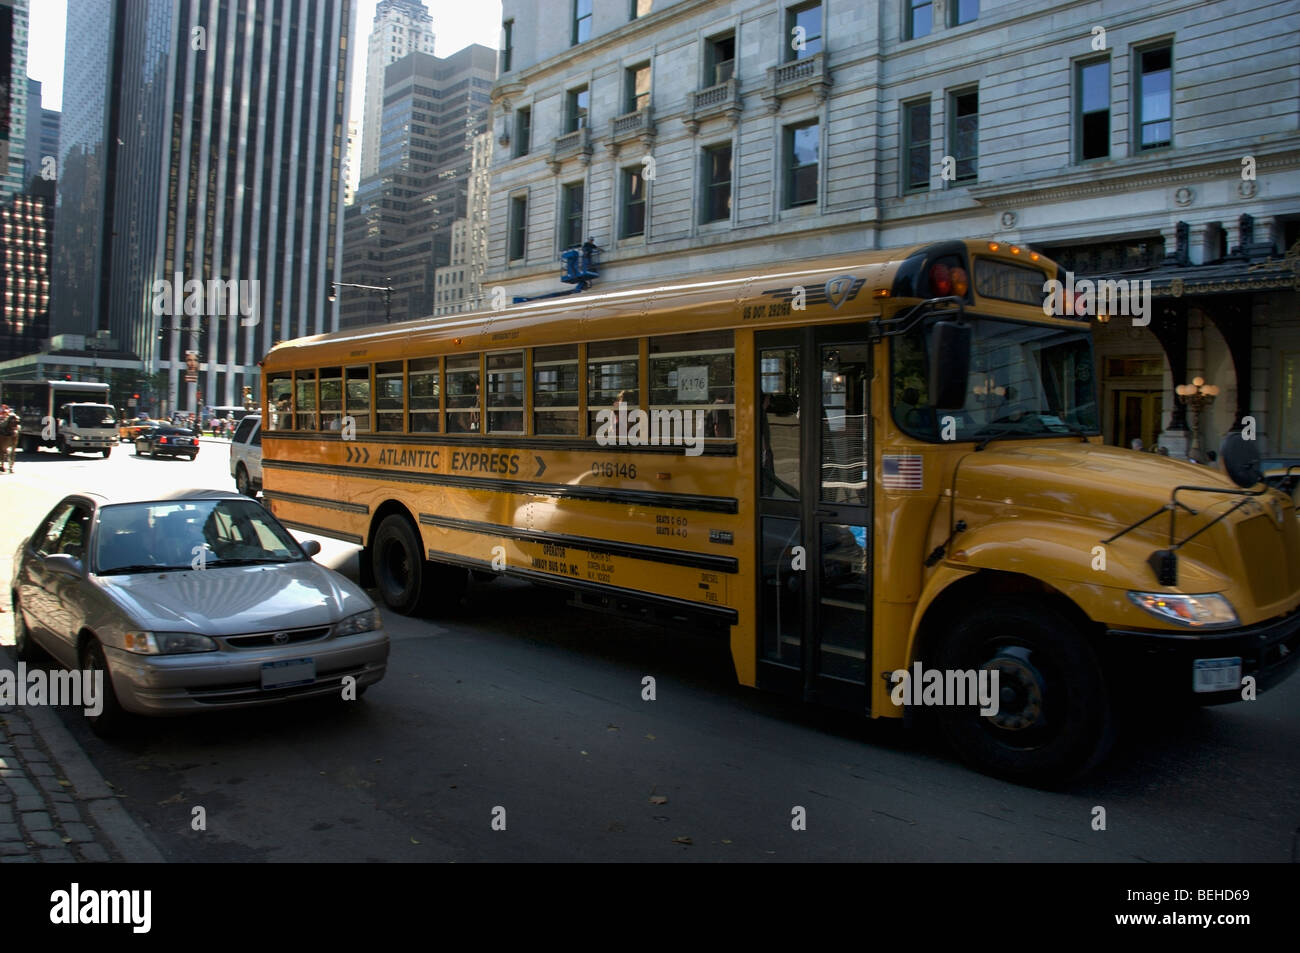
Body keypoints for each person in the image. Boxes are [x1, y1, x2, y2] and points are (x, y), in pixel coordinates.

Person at [0, 404, 20, 473]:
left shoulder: (11, 415)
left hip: (10, 434)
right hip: (4, 431)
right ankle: (2, 465)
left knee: (11, 453)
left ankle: (10, 466)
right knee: (2, 451)